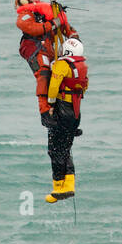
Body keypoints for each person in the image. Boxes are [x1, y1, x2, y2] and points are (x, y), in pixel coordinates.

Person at [43, 36, 88, 202]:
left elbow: (54, 87)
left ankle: (58, 186)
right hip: (76, 114)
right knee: (65, 148)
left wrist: (50, 104)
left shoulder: (62, 65)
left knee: (54, 149)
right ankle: (69, 185)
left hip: (63, 110)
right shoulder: (82, 65)